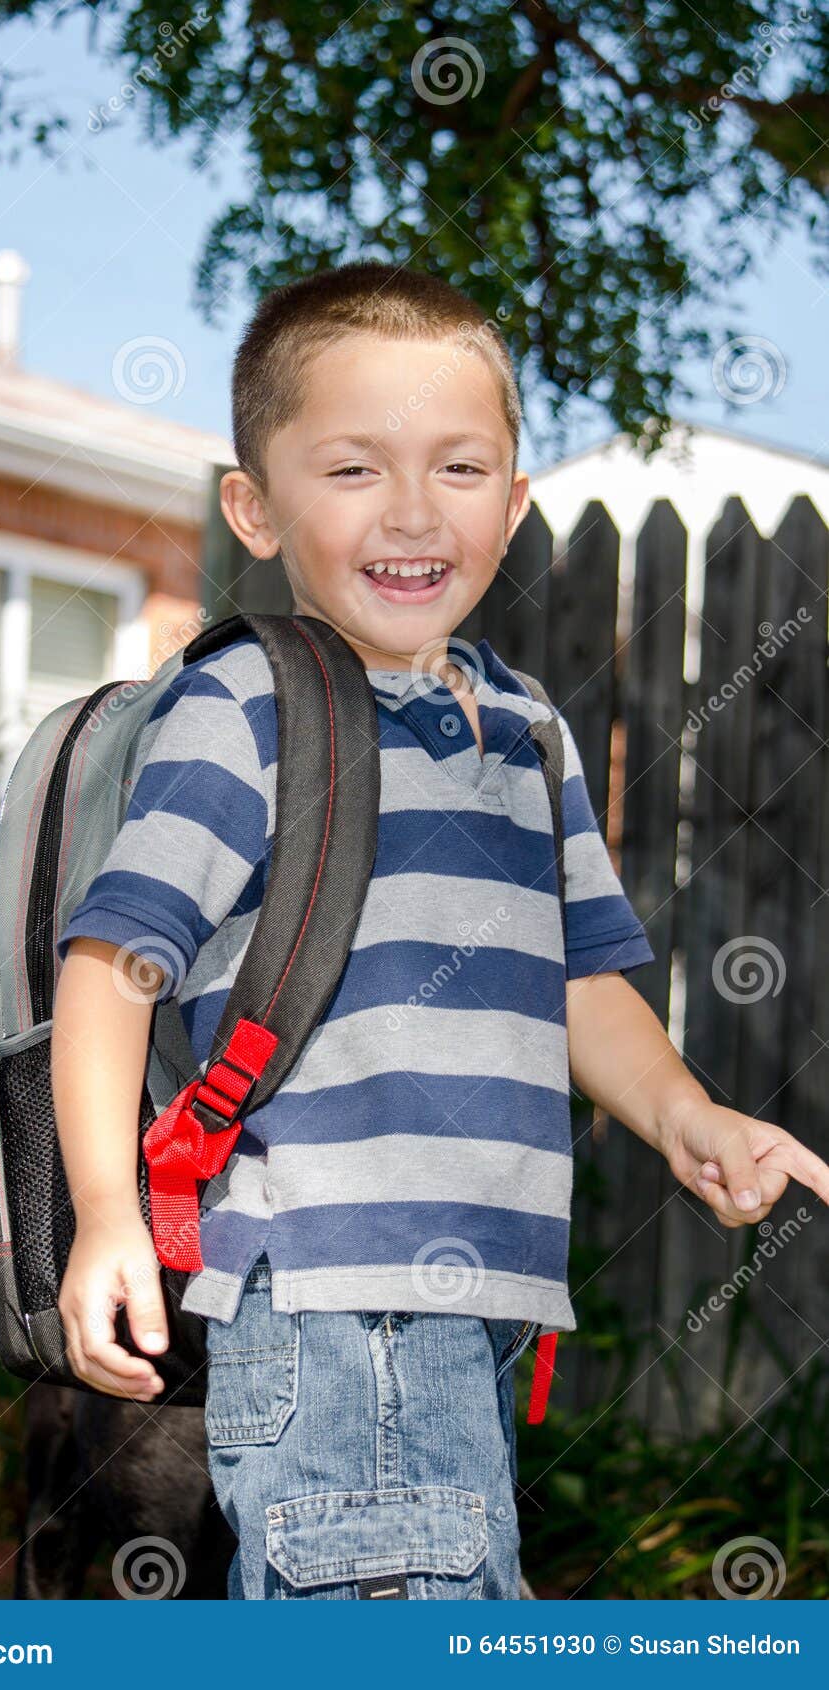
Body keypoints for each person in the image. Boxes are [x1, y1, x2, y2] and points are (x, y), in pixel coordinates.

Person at [50, 262, 829, 1600]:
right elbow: (114, 960)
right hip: (334, 1301)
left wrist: (689, 1114)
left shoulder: (527, 729)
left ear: (515, 502)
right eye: (353, 469)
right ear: (255, 505)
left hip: (468, 1309)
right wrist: (110, 1212)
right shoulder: (247, 704)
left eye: (460, 468)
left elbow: (583, 976)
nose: (414, 510)